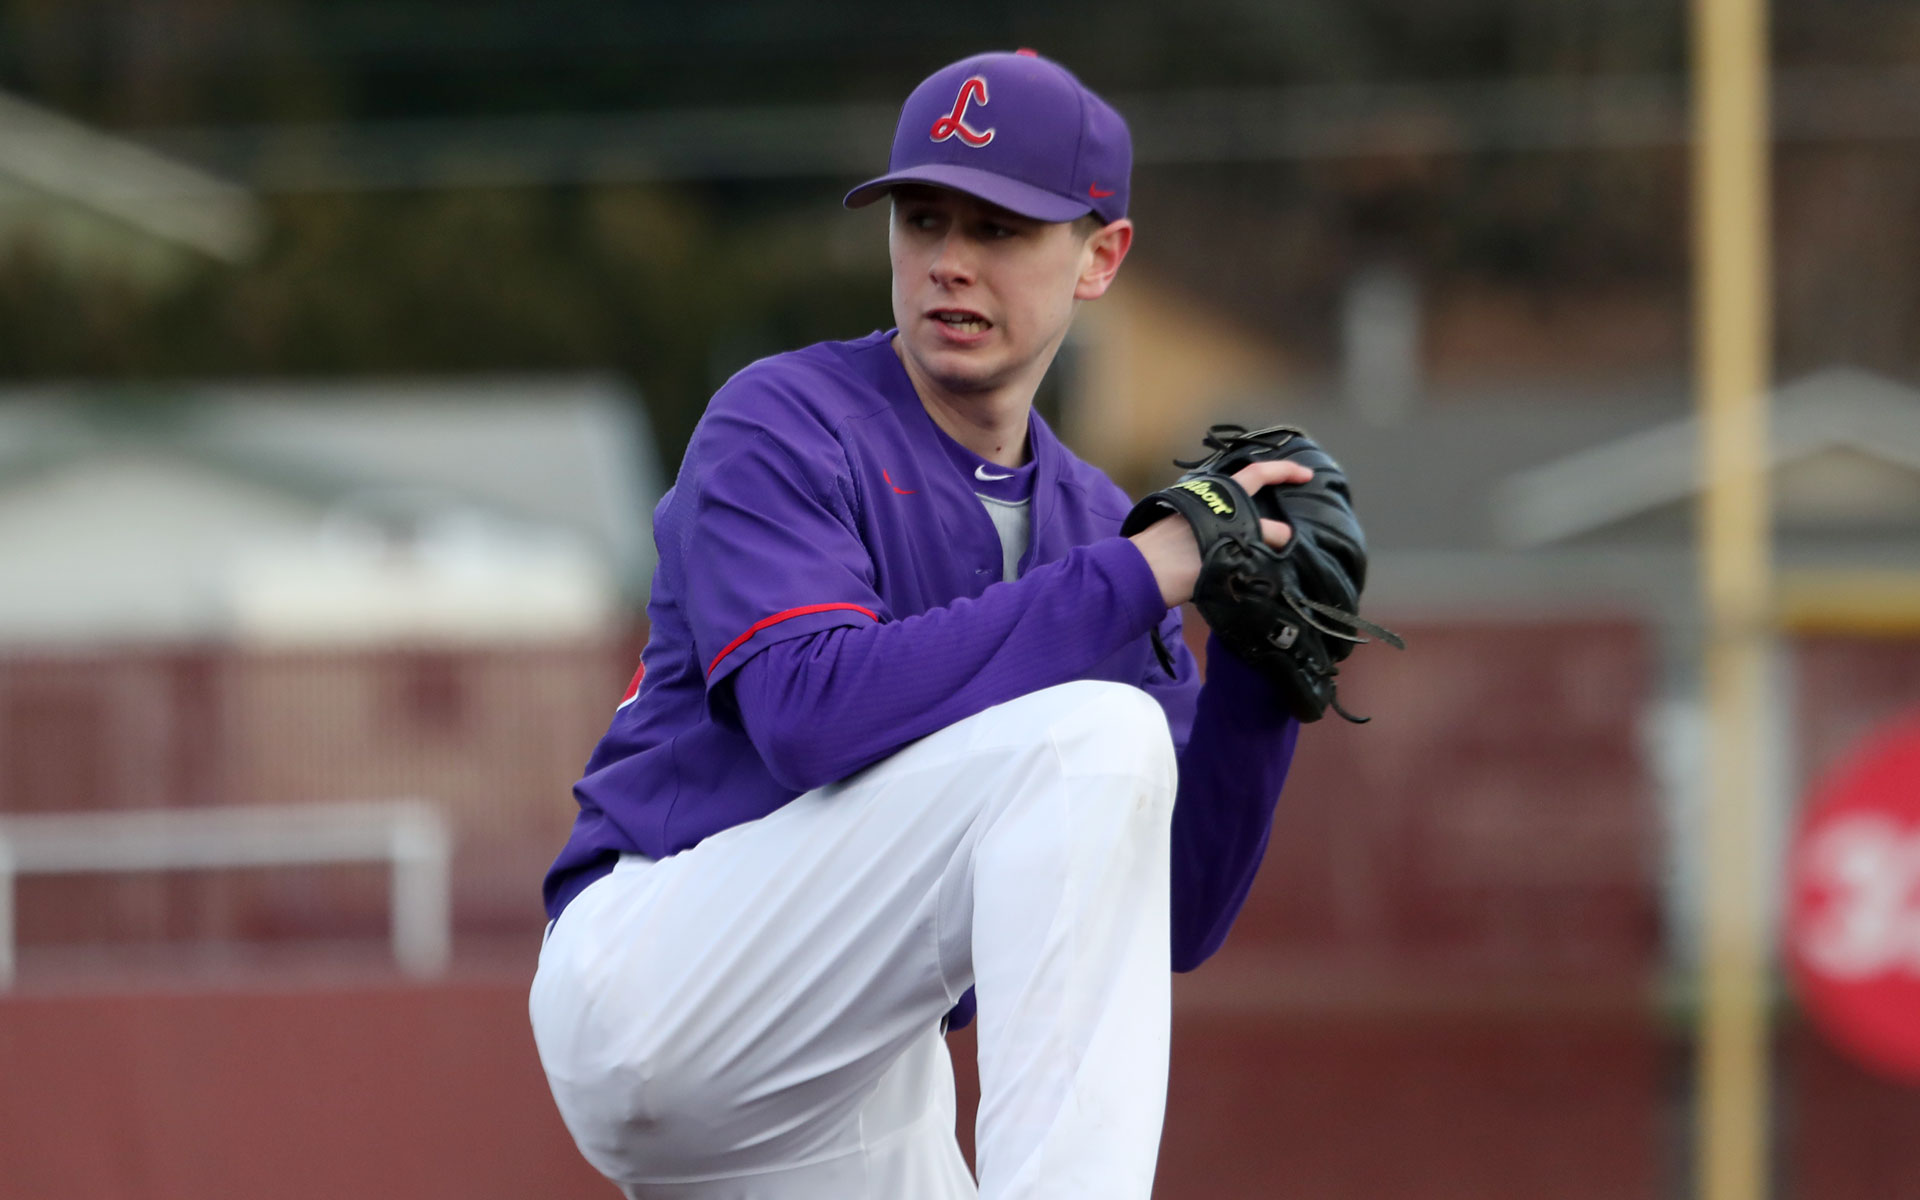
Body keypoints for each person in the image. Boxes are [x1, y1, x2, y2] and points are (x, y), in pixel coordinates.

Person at [530, 48, 1306, 1200]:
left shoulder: (1099, 525)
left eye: (998, 228)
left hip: (851, 1061)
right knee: (1098, 736)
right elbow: (806, 714)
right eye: (923, 218)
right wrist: (1142, 577)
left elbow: (1166, 919)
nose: (948, 262)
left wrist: (1263, 673)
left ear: (1102, 255)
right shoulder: (784, 420)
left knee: (1108, 754)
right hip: (662, 963)